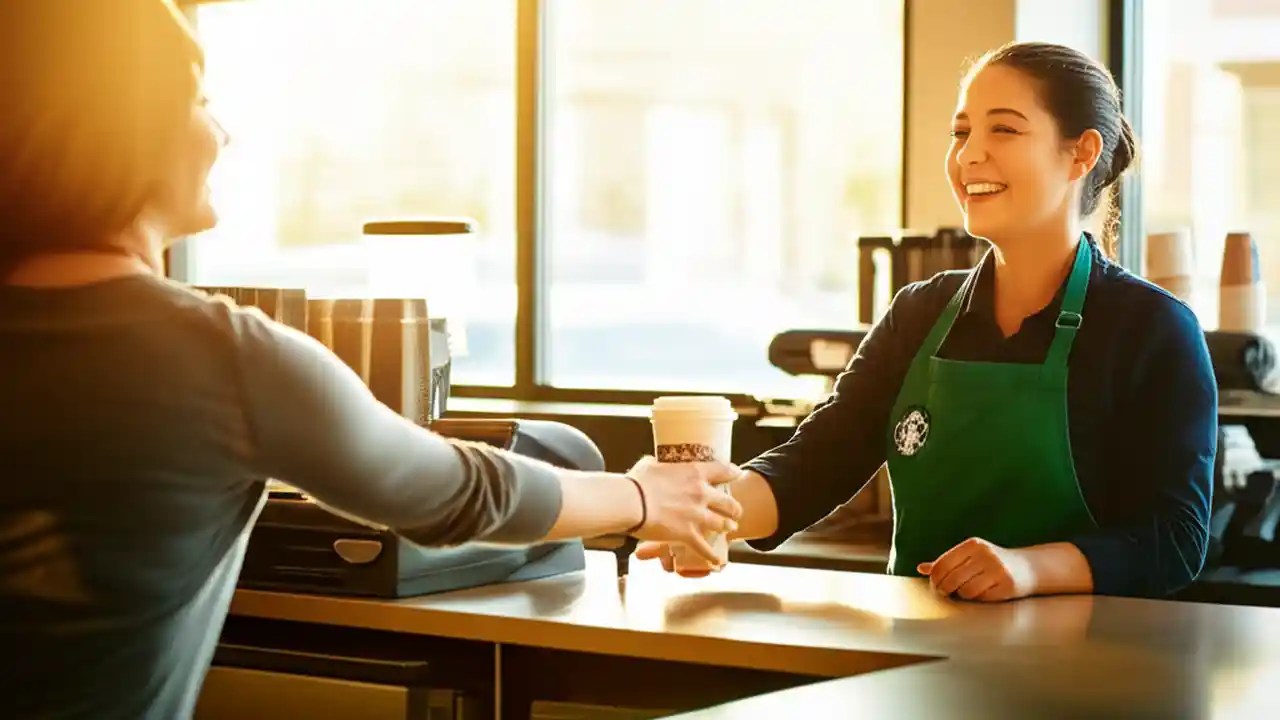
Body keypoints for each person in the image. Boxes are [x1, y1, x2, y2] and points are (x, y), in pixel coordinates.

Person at [0, 2, 741, 718]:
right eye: (198, 99)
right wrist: (645, 499)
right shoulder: (223, 359)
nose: (220, 132)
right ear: (125, 129)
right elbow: (461, 493)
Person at [639, 41, 1217, 602]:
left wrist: (1028, 569)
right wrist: (699, 516)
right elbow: (820, 461)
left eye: (1004, 130)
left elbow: (1175, 537)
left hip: (1089, 671)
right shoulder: (920, 313)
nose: (968, 155)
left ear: (1081, 153)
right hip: (922, 650)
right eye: (961, 132)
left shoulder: (1152, 329)